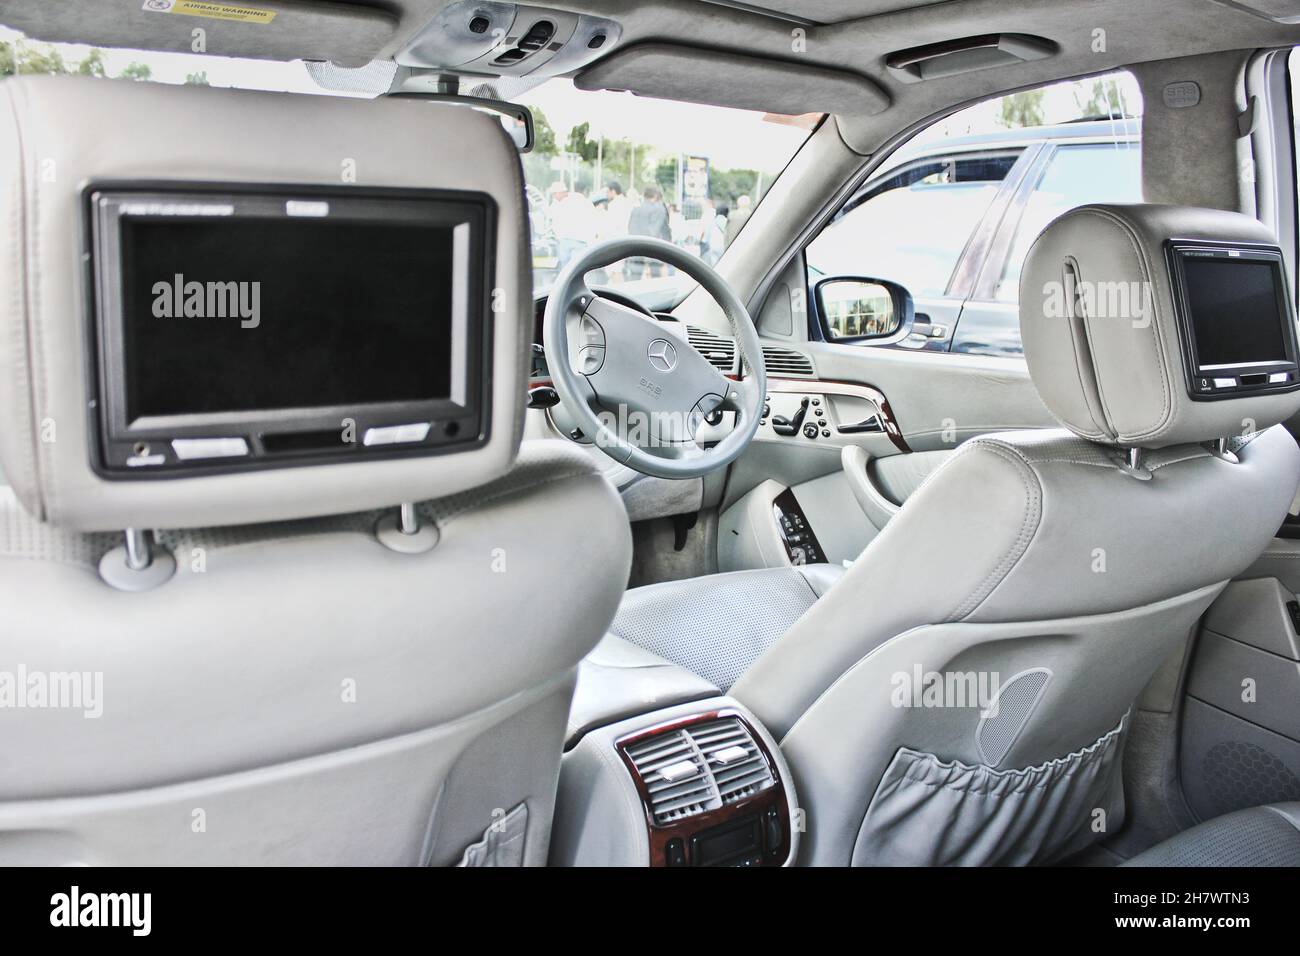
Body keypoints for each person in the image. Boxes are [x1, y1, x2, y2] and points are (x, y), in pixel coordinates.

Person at [548, 180, 598, 269]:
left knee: (571, 269)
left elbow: (591, 217)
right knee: (571, 269)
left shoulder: (574, 200)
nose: (554, 196)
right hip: (570, 241)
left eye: (555, 194)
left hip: (575, 241)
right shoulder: (557, 203)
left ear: (561, 192)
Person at [626, 186, 670, 280]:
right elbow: (656, 230)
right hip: (652, 247)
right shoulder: (659, 209)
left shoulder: (636, 209)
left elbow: (630, 228)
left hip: (635, 247)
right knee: (656, 277)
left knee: (634, 278)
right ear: (655, 196)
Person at [598, 181, 633, 283]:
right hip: (624, 238)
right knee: (616, 269)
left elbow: (611, 225)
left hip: (615, 239)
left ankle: (619, 292)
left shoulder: (615, 204)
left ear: (613, 191)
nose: (606, 195)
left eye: (608, 192)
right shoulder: (626, 202)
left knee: (615, 270)